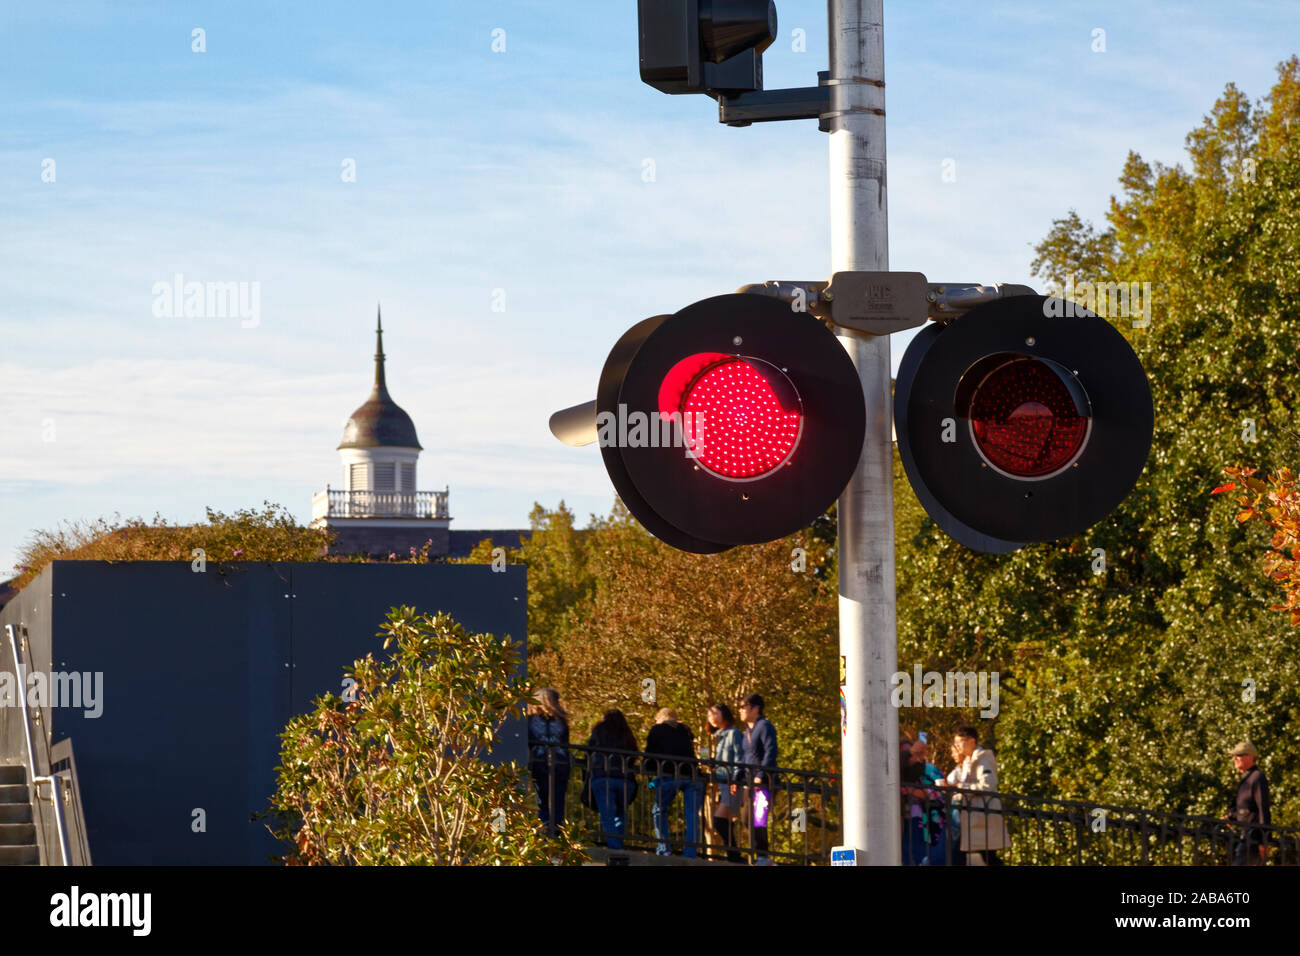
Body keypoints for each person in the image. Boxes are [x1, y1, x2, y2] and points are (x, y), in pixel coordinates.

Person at [935, 725, 1007, 865]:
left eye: (959, 742)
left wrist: (959, 787)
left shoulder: (983, 760)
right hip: (972, 816)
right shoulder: (968, 762)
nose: (957, 746)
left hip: (980, 815)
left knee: (985, 855)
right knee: (966, 852)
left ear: (971, 741)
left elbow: (987, 786)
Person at [645, 707, 703, 857]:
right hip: (691, 775)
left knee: (659, 810)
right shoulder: (685, 730)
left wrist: (650, 771)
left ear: (661, 718)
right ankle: (690, 853)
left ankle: (664, 849)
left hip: (669, 774)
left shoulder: (657, 730)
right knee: (692, 815)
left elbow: (649, 754)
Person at [585, 709, 639, 850]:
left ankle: (615, 846)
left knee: (607, 814)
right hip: (625, 778)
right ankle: (619, 843)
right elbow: (634, 754)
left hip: (602, 776)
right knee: (621, 813)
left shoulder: (599, 730)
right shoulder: (626, 734)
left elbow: (589, 750)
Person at [737, 693, 778, 864]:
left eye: (743, 706)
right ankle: (760, 855)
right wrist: (737, 777)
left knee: (758, 819)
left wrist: (761, 775)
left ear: (755, 708)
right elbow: (744, 756)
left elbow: (771, 751)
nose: (740, 710)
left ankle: (763, 856)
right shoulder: (747, 730)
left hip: (763, 782)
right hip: (749, 781)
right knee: (747, 819)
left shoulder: (764, 726)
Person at [526, 688, 570, 836]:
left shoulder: (531, 720)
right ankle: (555, 831)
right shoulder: (560, 720)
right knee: (556, 800)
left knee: (543, 800)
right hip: (559, 762)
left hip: (541, 761)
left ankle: (545, 830)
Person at [708, 703, 745, 863]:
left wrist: (736, 779)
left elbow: (739, 757)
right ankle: (734, 856)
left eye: (715, 713)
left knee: (719, 819)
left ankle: (735, 855)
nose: (711, 718)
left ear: (724, 714)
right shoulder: (719, 736)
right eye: (709, 715)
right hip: (723, 782)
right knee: (726, 820)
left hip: (732, 782)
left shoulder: (734, 733)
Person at [1225, 740, 1271, 866]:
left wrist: (1264, 841)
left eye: (1239, 755)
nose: (1235, 758)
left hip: (1253, 839)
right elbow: (1246, 809)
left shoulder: (1257, 777)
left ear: (1250, 757)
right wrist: (1232, 816)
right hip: (1245, 836)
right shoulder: (1245, 778)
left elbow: (1263, 809)